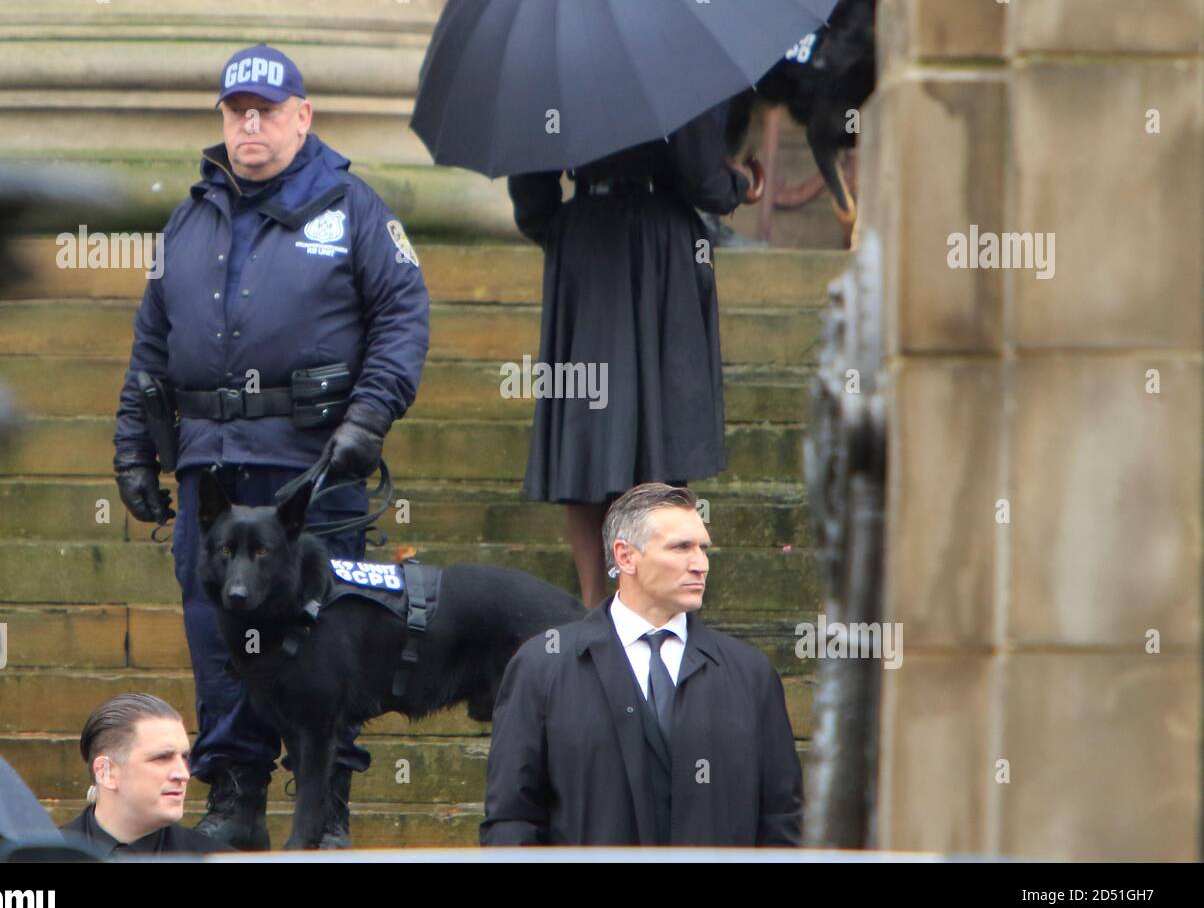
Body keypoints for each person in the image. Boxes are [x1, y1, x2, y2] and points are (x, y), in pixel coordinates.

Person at [112, 44, 430, 850]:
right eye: (236, 110)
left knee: (329, 641)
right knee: (219, 633)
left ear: (302, 116)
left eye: (266, 108)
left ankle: (325, 815)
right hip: (211, 463)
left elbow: (402, 318)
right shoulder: (191, 216)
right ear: (224, 119)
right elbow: (152, 343)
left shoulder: (353, 208)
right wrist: (133, 449)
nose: (249, 122)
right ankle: (237, 795)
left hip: (313, 468)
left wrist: (369, 418)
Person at [507, 102, 764, 607]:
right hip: (660, 242)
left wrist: (565, 230)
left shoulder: (556, 57)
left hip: (584, 239)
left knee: (583, 433)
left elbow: (530, 186)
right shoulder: (676, 44)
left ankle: (591, 607)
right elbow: (699, 176)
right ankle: (653, 606)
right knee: (659, 435)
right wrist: (737, 186)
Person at [481, 483, 802, 847]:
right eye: (681, 547)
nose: (700, 564)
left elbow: (782, 819)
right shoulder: (542, 666)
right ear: (625, 557)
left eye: (703, 548)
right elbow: (512, 819)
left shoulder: (750, 675)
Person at [61, 693, 231, 856]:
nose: (183, 774)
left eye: (184, 757)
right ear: (106, 772)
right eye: (162, 758)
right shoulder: (44, 857)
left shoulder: (220, 859)